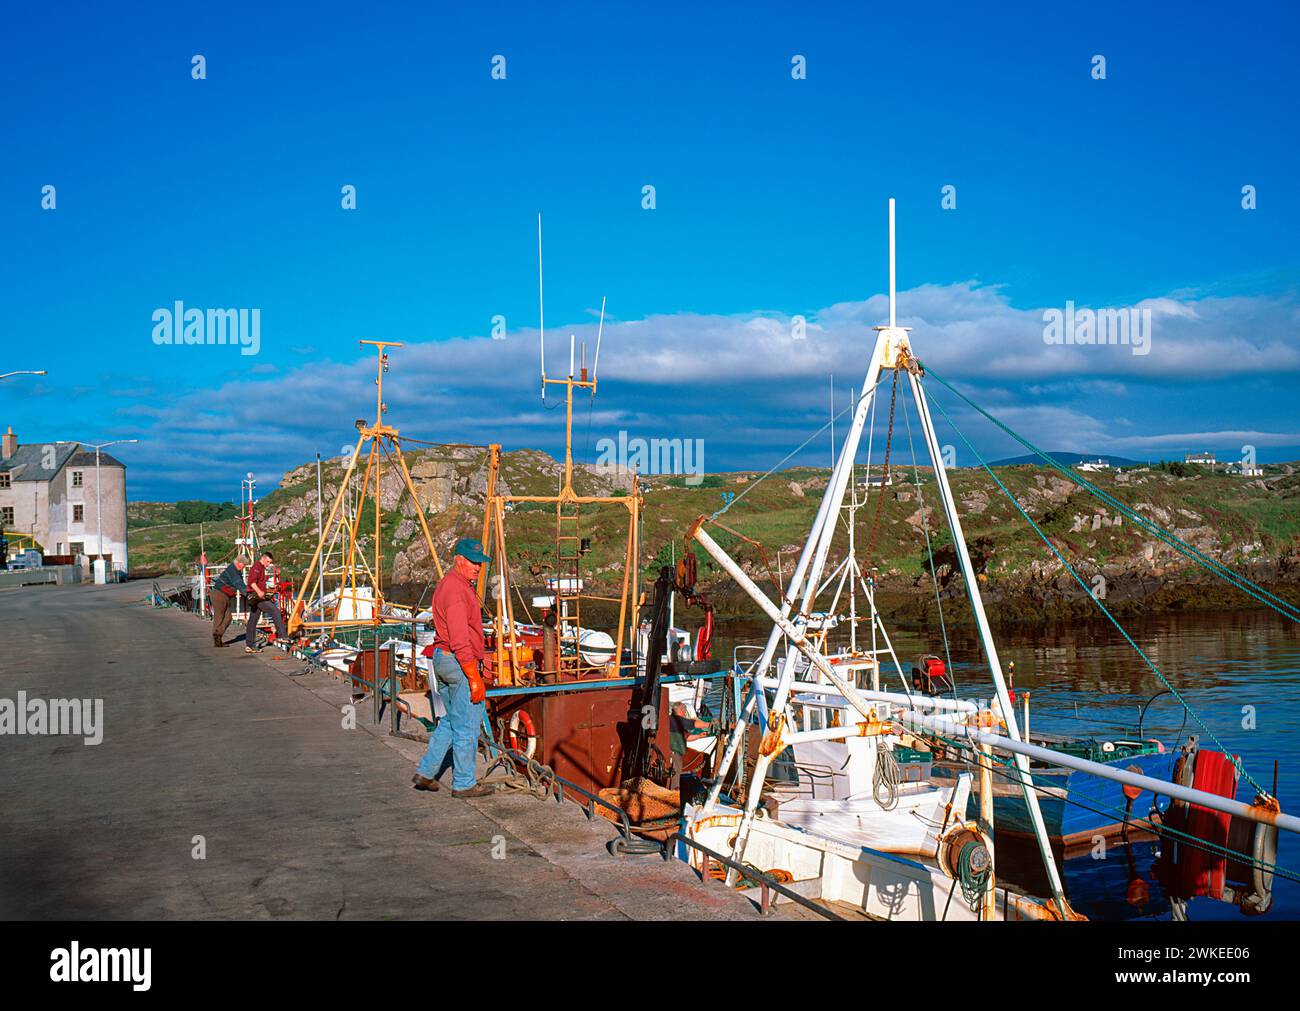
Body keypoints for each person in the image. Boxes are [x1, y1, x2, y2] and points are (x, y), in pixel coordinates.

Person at [412, 538, 494, 799]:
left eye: (480, 563)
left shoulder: (449, 585)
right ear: (459, 560)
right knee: (468, 725)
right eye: (473, 562)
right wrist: (474, 677)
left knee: (451, 721)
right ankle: (464, 783)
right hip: (457, 662)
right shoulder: (457, 590)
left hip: (442, 658)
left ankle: (426, 772)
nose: (478, 567)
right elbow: (460, 638)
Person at [244, 549, 288, 654]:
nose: (269, 564)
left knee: (252, 621)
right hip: (257, 597)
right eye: (268, 562)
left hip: (256, 597)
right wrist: (259, 592)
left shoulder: (261, 568)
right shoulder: (257, 568)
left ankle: (249, 645)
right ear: (263, 559)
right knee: (275, 611)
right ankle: (282, 636)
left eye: (270, 562)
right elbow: (251, 582)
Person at [211, 555, 248, 647]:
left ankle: (218, 634)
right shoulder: (233, 571)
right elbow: (239, 584)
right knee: (219, 617)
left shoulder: (234, 570)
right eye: (244, 565)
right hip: (220, 594)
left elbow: (240, 584)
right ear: (239, 563)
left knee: (228, 617)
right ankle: (217, 639)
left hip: (224, 595)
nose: (245, 567)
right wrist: (249, 595)